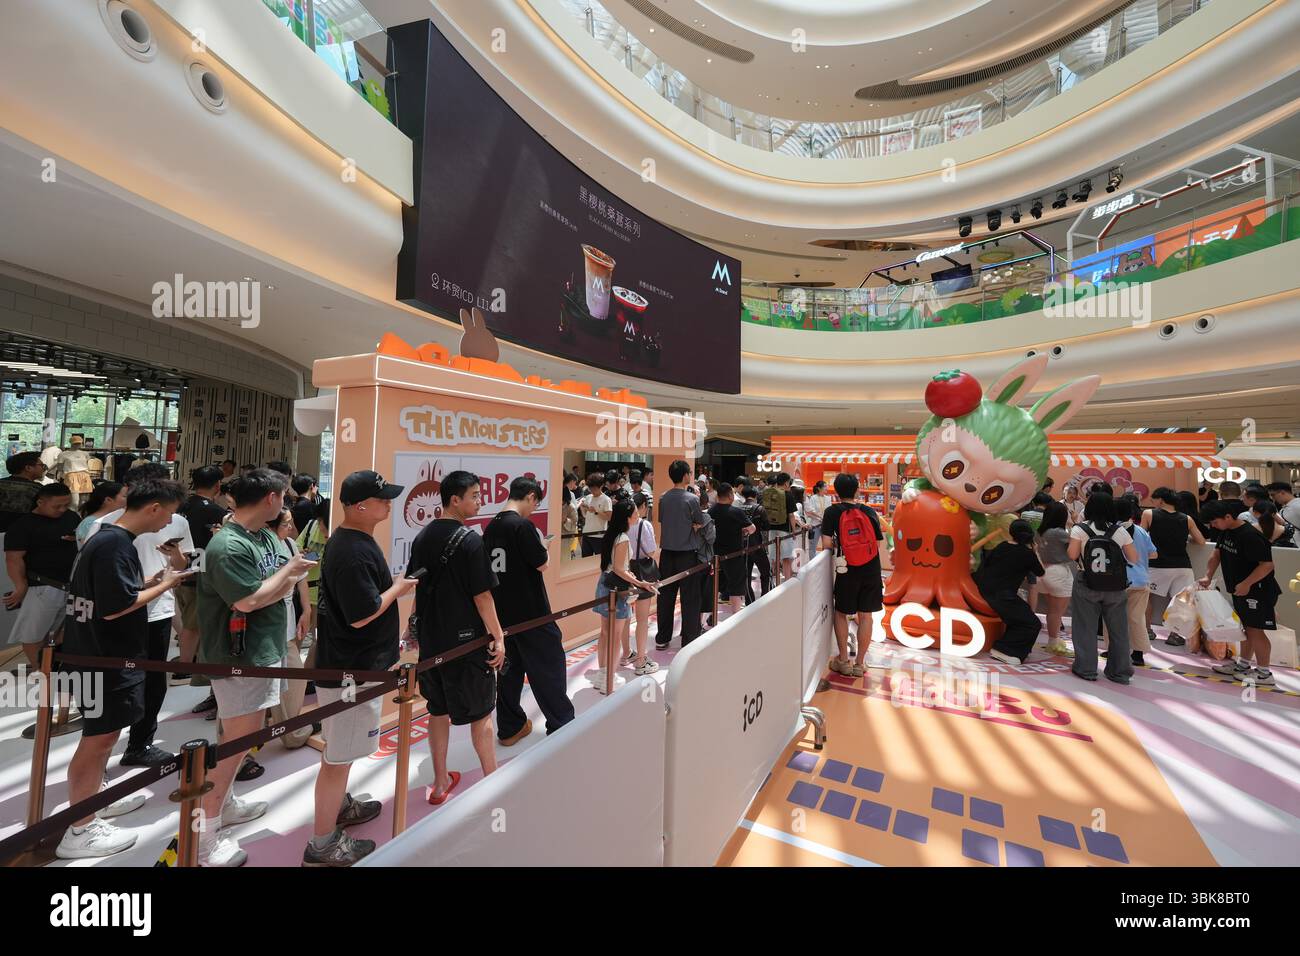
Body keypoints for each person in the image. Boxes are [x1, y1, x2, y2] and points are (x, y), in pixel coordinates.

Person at [55, 479, 194, 859]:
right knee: (98, 740)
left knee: (101, 738)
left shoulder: (104, 539)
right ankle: (80, 828)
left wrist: (153, 582)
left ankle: (90, 803)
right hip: (106, 659)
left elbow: (114, 593)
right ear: (153, 508)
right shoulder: (115, 544)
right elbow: (117, 606)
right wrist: (166, 584)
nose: (167, 524)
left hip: (95, 654)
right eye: (167, 514)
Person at [197, 468, 315, 867]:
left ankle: (224, 804)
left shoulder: (263, 536)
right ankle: (203, 834)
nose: (286, 504)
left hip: (263, 650)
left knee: (243, 738)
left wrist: (288, 576)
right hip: (238, 658)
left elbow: (272, 589)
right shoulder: (228, 546)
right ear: (270, 499)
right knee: (234, 744)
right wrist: (290, 573)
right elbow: (248, 600)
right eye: (283, 497)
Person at [308, 470, 416, 866]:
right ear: (359, 506)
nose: (389, 504)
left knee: (342, 751)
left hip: (352, 667)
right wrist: (399, 588)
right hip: (351, 671)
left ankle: (338, 808)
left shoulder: (353, 542)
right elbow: (362, 614)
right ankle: (322, 844)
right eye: (382, 498)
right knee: (339, 756)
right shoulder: (352, 551)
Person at [82, 463, 193, 768]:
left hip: (156, 610)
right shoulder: (106, 530)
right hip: (118, 618)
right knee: (112, 693)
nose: (168, 518)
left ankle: (140, 743)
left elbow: (182, 562)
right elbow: (113, 598)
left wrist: (172, 565)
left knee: (152, 682)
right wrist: (165, 582)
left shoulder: (176, 522)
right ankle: (96, 769)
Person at [408, 470, 507, 805]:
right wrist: (499, 637)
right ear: (455, 500)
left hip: (432, 644)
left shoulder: (422, 538)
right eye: (475, 495)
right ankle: (492, 782)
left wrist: (412, 626)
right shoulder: (470, 540)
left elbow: (415, 587)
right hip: (467, 644)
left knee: (437, 711)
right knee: (481, 715)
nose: (479, 500)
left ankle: (438, 784)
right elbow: (483, 597)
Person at [483, 476, 575, 743]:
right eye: (536, 503)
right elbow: (541, 564)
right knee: (549, 666)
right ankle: (562, 725)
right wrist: (544, 546)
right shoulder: (522, 526)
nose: (534, 508)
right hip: (531, 613)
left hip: (503, 615)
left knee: (510, 673)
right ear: (531, 497)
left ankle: (510, 727)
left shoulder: (491, 526)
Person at [1200, 500, 1281, 686]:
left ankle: (1264, 674)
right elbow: (1217, 555)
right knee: (1247, 629)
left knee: (1255, 631)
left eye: (1214, 522)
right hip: (1241, 590)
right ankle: (1243, 666)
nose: (1213, 526)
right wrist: (1207, 576)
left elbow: (1267, 565)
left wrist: (1246, 583)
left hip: (1258, 591)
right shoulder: (1226, 531)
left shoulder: (1250, 536)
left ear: (1228, 517)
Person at [5, 484, 80, 669]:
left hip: (70, 586)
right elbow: (14, 559)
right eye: (57, 506)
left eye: (66, 505)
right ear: (40, 502)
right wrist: (20, 586)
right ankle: (40, 670)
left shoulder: (71, 517)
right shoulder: (23, 525)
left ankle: (50, 667)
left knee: (60, 632)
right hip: (41, 587)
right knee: (33, 634)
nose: (62, 510)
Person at [1067, 493, 1139, 685]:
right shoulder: (1120, 531)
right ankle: (1120, 672)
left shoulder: (1079, 529)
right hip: (1115, 585)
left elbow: (1072, 554)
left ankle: (1087, 669)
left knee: (1085, 628)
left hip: (1087, 582)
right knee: (1119, 630)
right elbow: (1134, 558)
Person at [819, 473, 885, 677]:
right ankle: (860, 664)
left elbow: (827, 543)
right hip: (871, 568)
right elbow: (878, 543)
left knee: (841, 613)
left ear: (835, 491)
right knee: (866, 615)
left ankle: (843, 661)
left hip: (846, 568)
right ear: (857, 490)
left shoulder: (832, 512)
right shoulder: (868, 511)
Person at [590, 497, 658, 692]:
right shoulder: (623, 538)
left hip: (605, 584)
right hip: (617, 590)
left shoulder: (612, 535)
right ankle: (609, 677)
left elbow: (613, 567)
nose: (638, 514)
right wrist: (639, 582)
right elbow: (621, 569)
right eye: (635, 512)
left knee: (605, 633)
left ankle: (603, 675)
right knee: (615, 634)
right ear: (627, 516)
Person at [174, 466, 228, 684]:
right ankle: (184, 667)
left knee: (189, 617)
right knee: (193, 624)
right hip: (201, 573)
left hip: (180, 569)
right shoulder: (215, 511)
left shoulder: (181, 506)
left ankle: (190, 659)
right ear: (217, 486)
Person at [269, 507, 313, 750]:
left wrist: (306, 610)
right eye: (286, 524)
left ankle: (292, 731)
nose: (292, 529)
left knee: (294, 677)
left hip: (286, 621)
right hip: (261, 627)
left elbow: (302, 577)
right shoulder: (254, 546)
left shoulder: (289, 545)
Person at [1142, 487, 1205, 647]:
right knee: (1181, 601)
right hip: (1182, 566)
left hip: (1157, 565)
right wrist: (1185, 537)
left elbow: (1141, 537)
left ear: (1161, 500)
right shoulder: (1187, 519)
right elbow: (1201, 541)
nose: (1152, 503)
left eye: (1153, 500)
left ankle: (1146, 630)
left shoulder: (1149, 514)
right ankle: (1176, 635)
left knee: (1146, 597)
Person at [976, 519, 1045, 666]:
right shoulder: (1027, 554)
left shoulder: (1002, 546)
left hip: (985, 590)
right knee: (1032, 623)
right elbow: (1041, 572)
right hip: (1003, 596)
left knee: (1021, 617)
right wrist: (1035, 551)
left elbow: (987, 564)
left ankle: (1005, 647)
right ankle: (1006, 650)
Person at [655, 459, 705, 649]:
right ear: (685, 476)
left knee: (665, 596)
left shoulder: (663, 497)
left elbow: (662, 520)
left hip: (666, 553)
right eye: (690, 472)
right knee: (690, 597)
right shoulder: (692, 499)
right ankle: (689, 639)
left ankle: (662, 638)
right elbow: (699, 522)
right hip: (687, 554)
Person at [1105, 498, 1155, 666]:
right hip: (1141, 579)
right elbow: (1153, 554)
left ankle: (1113, 648)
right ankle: (1138, 653)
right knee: (1136, 618)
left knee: (1111, 616)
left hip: (1117, 580)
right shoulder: (1141, 531)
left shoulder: (1111, 530)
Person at [708, 483, 756, 619]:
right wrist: (743, 531)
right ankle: (735, 617)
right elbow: (752, 528)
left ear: (718, 496)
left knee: (715, 586)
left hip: (715, 555)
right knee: (736, 586)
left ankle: (712, 616)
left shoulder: (711, 511)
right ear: (730, 496)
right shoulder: (736, 512)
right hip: (734, 555)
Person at [1034, 501, 1075, 657]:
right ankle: (1054, 642)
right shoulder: (1059, 532)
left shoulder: (1040, 531)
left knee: (1051, 611)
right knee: (1057, 612)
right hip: (1059, 572)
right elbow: (1075, 546)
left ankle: (1053, 641)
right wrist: (1072, 524)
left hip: (1043, 571)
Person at [627, 492, 659, 675]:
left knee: (624, 617)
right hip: (641, 573)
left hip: (624, 571)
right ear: (642, 507)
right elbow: (651, 551)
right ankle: (640, 660)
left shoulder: (620, 525)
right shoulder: (643, 525)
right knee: (641, 619)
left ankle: (626, 654)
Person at [0, 451, 47, 535]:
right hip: (22, 535)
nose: (44, 468)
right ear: (28, 468)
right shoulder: (37, 489)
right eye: (41, 465)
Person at [739, 485, 772, 601]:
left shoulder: (739, 508)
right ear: (755, 495)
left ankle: (750, 601)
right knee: (766, 572)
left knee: (746, 575)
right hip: (757, 545)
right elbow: (767, 526)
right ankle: (765, 597)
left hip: (743, 546)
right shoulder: (759, 508)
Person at [75, 481, 127, 548]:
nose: (129, 499)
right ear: (108, 500)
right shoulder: (89, 523)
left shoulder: (118, 518)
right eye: (125, 496)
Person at [578, 473, 612, 558]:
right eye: (590, 488)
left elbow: (608, 517)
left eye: (594, 488)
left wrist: (596, 511)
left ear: (601, 486)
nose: (592, 490)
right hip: (586, 533)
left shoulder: (606, 499)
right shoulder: (588, 497)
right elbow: (585, 515)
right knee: (585, 559)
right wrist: (583, 508)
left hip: (599, 535)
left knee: (599, 560)